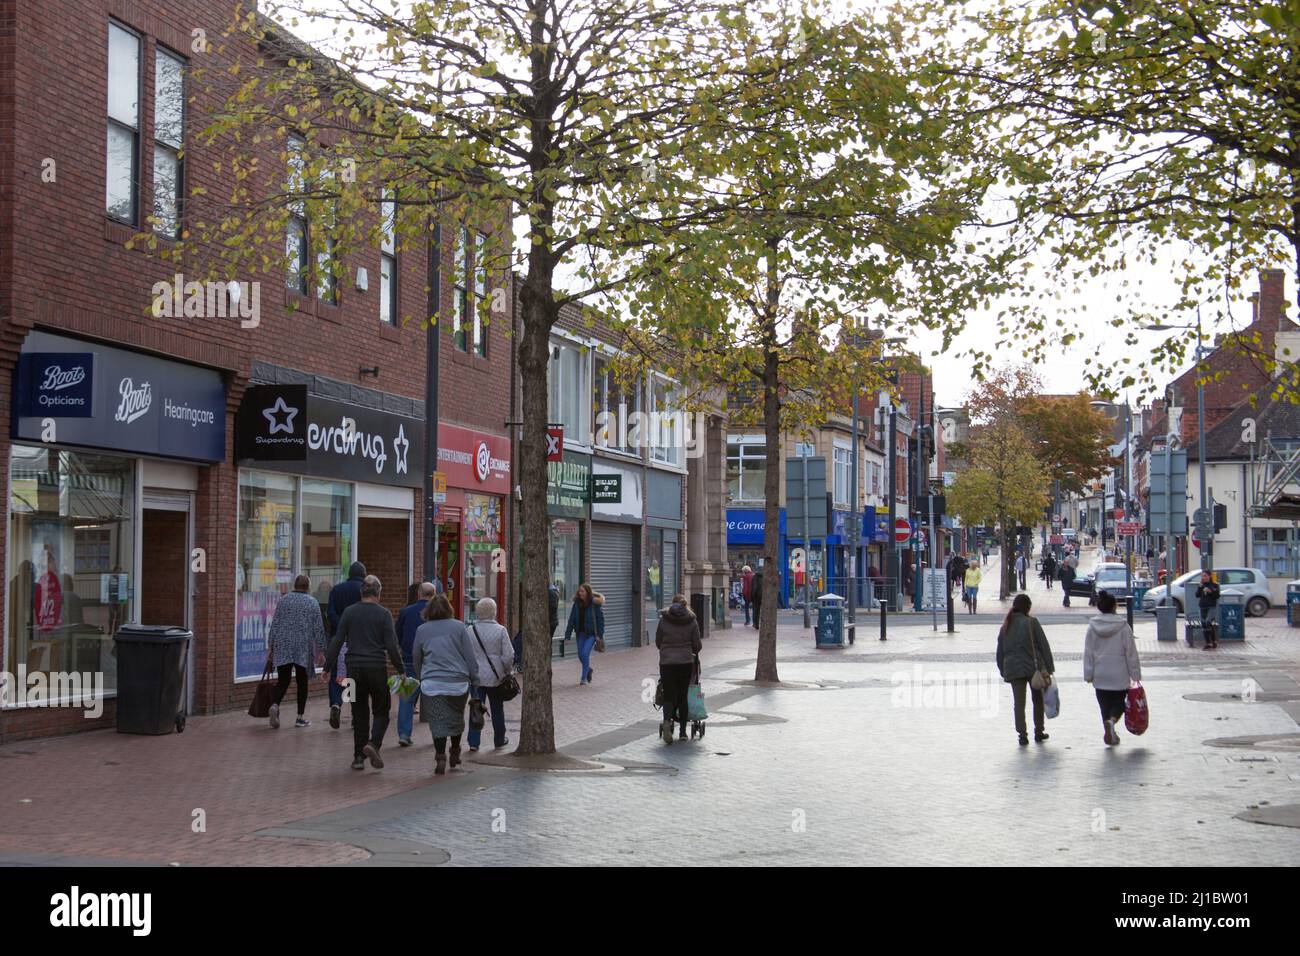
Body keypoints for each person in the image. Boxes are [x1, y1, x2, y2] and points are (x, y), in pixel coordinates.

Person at [323, 575, 405, 771]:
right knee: (382, 710)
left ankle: (358, 757)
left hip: (352, 671)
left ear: (362, 593)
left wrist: (327, 667)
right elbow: (392, 646)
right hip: (377, 668)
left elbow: (337, 640)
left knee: (358, 713)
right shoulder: (384, 614)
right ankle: (373, 743)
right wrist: (401, 670)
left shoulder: (349, 613)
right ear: (378, 592)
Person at [413, 594, 480, 774]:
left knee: (437, 721)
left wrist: (421, 677)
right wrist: (475, 677)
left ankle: (440, 755)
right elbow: (469, 656)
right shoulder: (459, 627)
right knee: (456, 717)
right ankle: (455, 751)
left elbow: (416, 657)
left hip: (432, 683)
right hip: (458, 682)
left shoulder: (422, 630)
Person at [266, 574, 325, 729]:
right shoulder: (312, 603)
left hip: (283, 644)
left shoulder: (284, 600)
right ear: (308, 587)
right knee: (302, 683)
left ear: (295, 585)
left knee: (283, 681)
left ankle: (274, 705)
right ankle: (299, 718)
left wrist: (271, 645)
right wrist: (321, 650)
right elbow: (318, 628)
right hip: (302, 648)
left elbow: (275, 623)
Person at [995, 593, 1055, 746]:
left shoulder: (1005, 626)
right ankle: (1039, 731)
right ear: (1027, 607)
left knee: (1019, 703)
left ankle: (1022, 734)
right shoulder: (1032, 622)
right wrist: (1049, 668)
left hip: (1013, 670)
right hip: (1033, 669)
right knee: (1038, 700)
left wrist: (1003, 670)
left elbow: (1000, 651)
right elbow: (1043, 646)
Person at [1083, 590, 1141, 746]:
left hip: (1100, 673)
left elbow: (1088, 653)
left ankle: (1109, 731)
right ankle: (1113, 721)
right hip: (1119, 673)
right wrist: (1135, 675)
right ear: (1115, 606)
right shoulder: (1123, 627)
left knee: (1104, 705)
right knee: (1119, 703)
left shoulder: (1092, 627)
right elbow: (1131, 653)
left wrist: (1088, 674)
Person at [466, 597, 514, 752]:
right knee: (497, 709)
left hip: (476, 677)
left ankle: (474, 742)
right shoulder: (500, 630)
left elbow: (466, 654)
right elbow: (508, 655)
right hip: (496, 677)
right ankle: (499, 739)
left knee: (476, 709)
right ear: (494, 612)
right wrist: (507, 670)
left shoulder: (470, 631)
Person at [325, 561, 367, 731]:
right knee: (354, 677)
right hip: (358, 640)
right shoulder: (364, 590)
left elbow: (330, 613)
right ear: (363, 574)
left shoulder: (337, 589)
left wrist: (342, 626)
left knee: (337, 674)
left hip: (338, 639)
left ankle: (336, 703)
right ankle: (354, 716)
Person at [656, 593, 703, 744]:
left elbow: (658, 641)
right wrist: (691, 650)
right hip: (684, 662)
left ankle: (667, 722)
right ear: (686, 605)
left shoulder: (664, 619)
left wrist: (666, 650)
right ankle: (683, 732)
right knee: (683, 695)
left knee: (668, 694)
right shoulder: (691, 620)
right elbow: (697, 645)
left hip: (667, 662)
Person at [395, 582, 435, 746]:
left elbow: (397, 634)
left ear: (418, 593)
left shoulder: (406, 611)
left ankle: (404, 734)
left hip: (409, 659)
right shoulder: (438, 613)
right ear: (434, 594)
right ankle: (437, 733)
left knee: (406, 699)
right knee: (435, 698)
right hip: (433, 661)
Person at [565, 583, 605, 685]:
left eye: (582, 591)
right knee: (580, 655)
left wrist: (600, 635)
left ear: (588, 592)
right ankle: (588, 669)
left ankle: (583, 679)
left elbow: (600, 620)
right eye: (579, 591)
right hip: (580, 634)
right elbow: (571, 620)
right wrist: (567, 636)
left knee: (584, 654)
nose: (580, 593)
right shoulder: (576, 604)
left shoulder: (594, 604)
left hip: (591, 634)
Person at [1195, 571, 1221, 650]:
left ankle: (1213, 641)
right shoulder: (1202, 585)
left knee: (1208, 622)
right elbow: (1197, 595)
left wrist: (1211, 591)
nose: (1204, 578)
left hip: (1211, 607)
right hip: (1202, 606)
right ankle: (1208, 643)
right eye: (1202, 576)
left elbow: (1217, 596)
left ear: (1209, 576)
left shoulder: (1214, 585)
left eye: (1205, 576)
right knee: (1203, 624)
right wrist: (1199, 587)